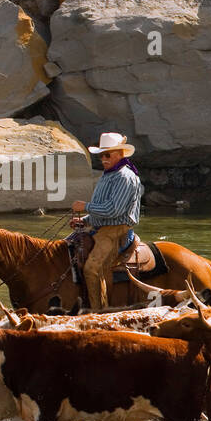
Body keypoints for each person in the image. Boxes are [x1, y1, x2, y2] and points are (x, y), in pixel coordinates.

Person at [71, 132, 144, 311]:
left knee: (92, 269)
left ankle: (99, 312)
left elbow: (114, 210)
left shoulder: (124, 177)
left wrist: (86, 206)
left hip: (116, 231)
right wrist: (85, 221)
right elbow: (102, 209)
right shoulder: (108, 175)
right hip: (101, 227)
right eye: (101, 155)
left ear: (119, 154)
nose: (103, 159)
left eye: (107, 155)